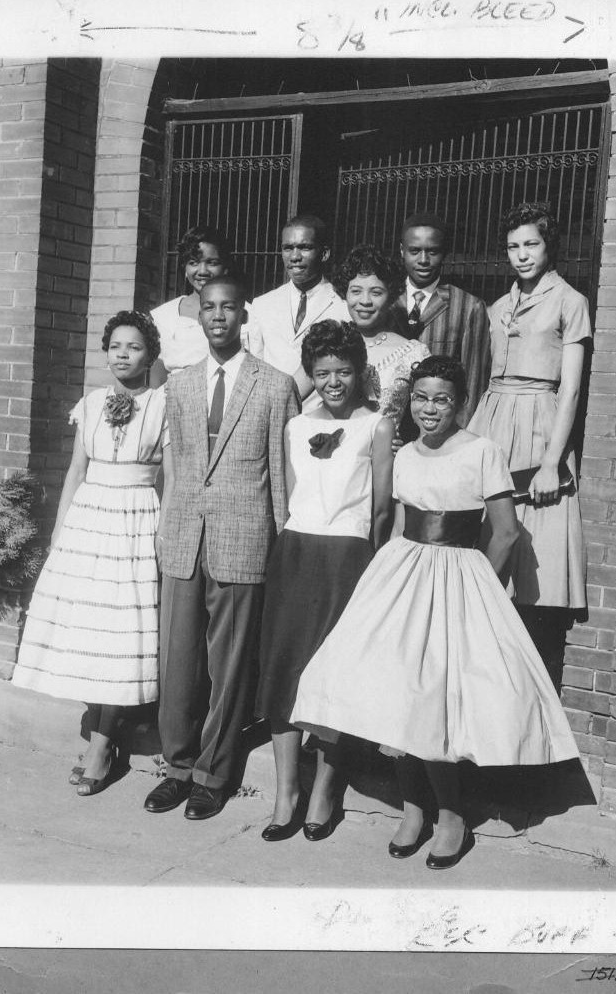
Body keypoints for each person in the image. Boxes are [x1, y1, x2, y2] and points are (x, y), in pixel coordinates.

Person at [291, 356, 579, 870]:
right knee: (396, 692)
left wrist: (477, 590)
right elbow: (401, 522)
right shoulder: (404, 455)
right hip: (403, 574)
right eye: (421, 397)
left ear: (460, 402)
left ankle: (451, 816)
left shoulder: (482, 451)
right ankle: (413, 809)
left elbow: (507, 531)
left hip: (459, 577)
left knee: (438, 702)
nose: (429, 409)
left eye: (441, 399)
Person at [143, 275, 299, 821]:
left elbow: (281, 473)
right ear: (198, 316)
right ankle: (178, 765)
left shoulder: (275, 385)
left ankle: (214, 772)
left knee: (229, 664)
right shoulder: (180, 384)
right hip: (185, 535)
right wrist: (167, 528)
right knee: (178, 661)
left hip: (244, 537)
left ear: (243, 315)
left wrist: (280, 541)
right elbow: (177, 465)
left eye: (228, 308)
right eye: (208, 308)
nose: (217, 317)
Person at [12, 310, 169, 796]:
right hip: (90, 517)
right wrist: (61, 531)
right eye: (116, 346)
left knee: (121, 629)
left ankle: (102, 743)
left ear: (151, 355)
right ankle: (105, 730)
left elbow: (172, 476)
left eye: (134, 347)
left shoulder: (163, 405)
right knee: (90, 626)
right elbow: (76, 469)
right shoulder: (92, 402)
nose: (123, 354)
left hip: (136, 518)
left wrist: (162, 530)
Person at [256, 320, 394, 843]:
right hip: (297, 552)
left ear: (359, 372)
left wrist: (368, 561)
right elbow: (291, 497)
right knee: (285, 669)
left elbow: (382, 509)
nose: (333, 381)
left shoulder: (378, 426)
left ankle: (324, 792)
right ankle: (285, 791)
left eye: (343, 371)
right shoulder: (295, 426)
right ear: (310, 374)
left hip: (348, 556)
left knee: (335, 675)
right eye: (321, 372)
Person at [468, 203, 591, 691]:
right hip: (492, 420)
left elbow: (572, 390)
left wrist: (549, 463)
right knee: (483, 553)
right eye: (513, 246)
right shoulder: (497, 307)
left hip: (540, 425)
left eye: (531, 244)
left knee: (534, 573)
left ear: (549, 245)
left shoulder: (569, 301)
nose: (521, 255)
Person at [292, 244, 430, 435]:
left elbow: (428, 416)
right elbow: (288, 395)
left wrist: (406, 445)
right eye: (356, 291)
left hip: (385, 459)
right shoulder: (327, 342)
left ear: (390, 297)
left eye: (376, 292)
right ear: (345, 293)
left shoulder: (414, 352)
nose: (365, 301)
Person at [389, 213, 490, 426]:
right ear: (401, 251)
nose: (423, 260)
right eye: (414, 251)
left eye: (432, 252)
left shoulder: (468, 307)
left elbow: (472, 385)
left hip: (439, 431)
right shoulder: (385, 300)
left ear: (444, 253)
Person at [247, 214, 349, 409]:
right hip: (270, 412)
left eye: (305, 247)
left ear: (324, 253)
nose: (295, 257)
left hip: (323, 416)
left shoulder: (343, 305)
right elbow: (254, 366)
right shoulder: (262, 304)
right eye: (288, 248)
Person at [149, 225, 261, 386]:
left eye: (212, 263)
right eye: (193, 262)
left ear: (225, 267)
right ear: (185, 268)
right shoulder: (165, 315)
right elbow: (157, 373)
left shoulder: (248, 313)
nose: (202, 270)